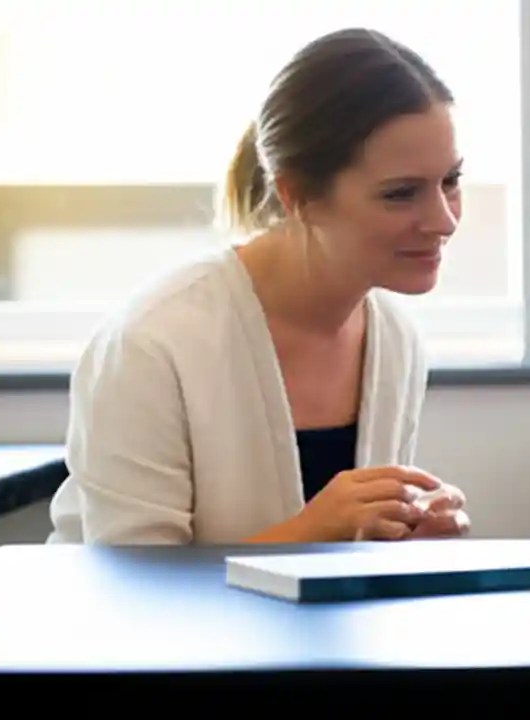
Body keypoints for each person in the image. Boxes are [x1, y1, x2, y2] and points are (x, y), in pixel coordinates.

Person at [48, 28, 470, 545]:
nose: (444, 220)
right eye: (401, 194)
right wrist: (313, 531)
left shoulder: (396, 339)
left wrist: (407, 533)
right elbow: (137, 592)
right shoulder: (154, 343)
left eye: (450, 180)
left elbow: (340, 571)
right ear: (298, 196)